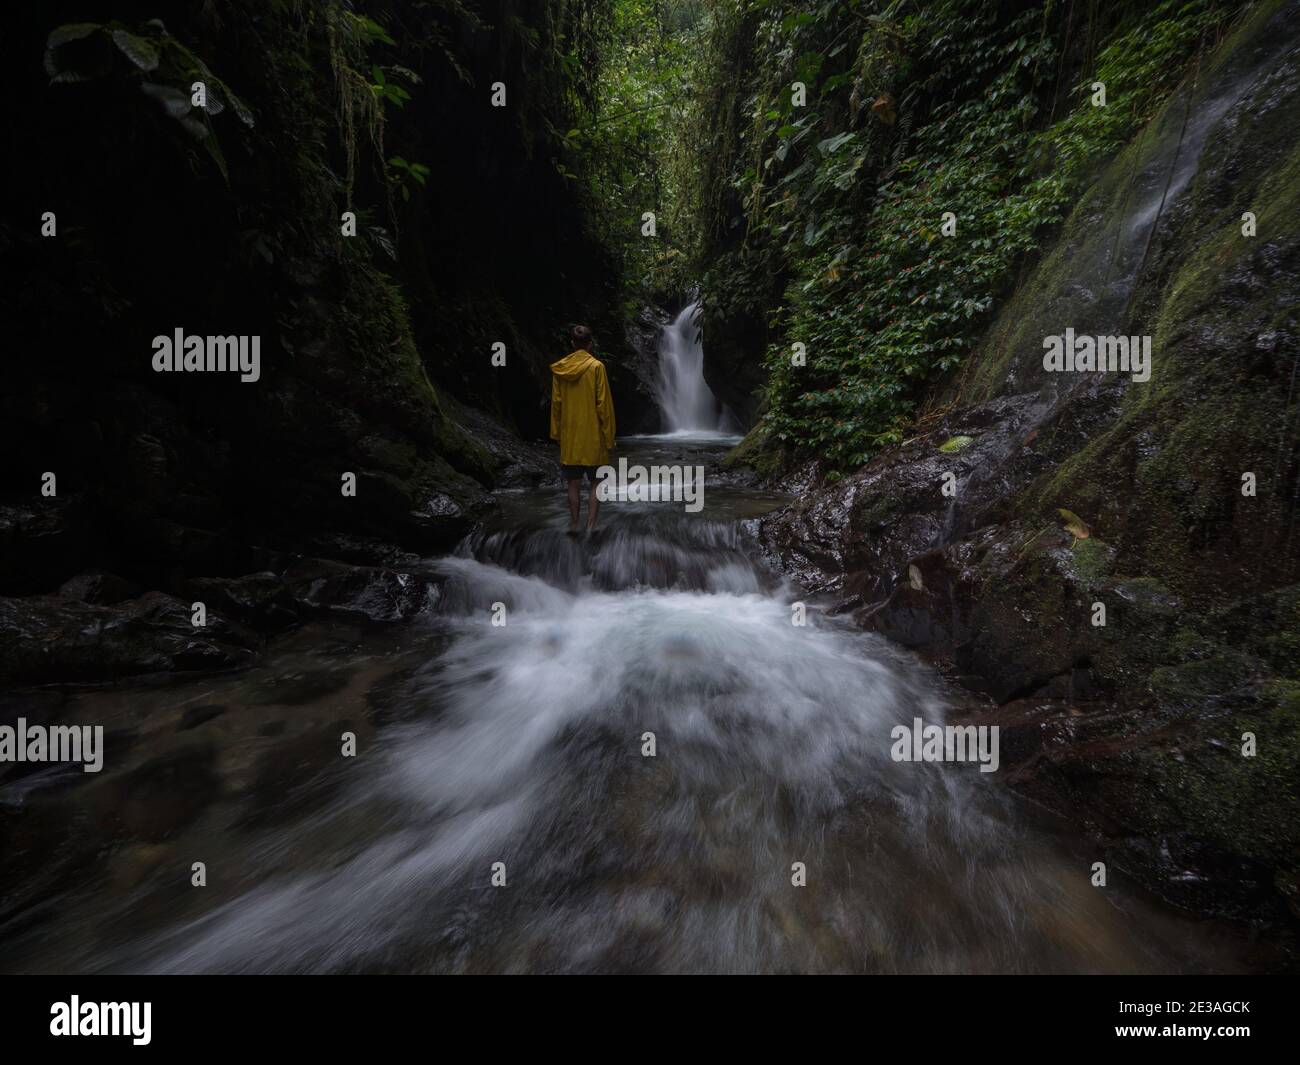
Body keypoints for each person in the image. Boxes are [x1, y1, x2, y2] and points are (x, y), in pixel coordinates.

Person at [549, 324, 616, 531]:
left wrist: (557, 433)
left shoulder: (560, 370)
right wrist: (609, 436)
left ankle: (575, 524)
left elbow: (556, 404)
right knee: (596, 483)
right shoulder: (596, 367)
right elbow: (603, 405)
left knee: (573, 484)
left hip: (571, 438)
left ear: (572, 343)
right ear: (590, 344)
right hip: (594, 437)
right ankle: (591, 526)